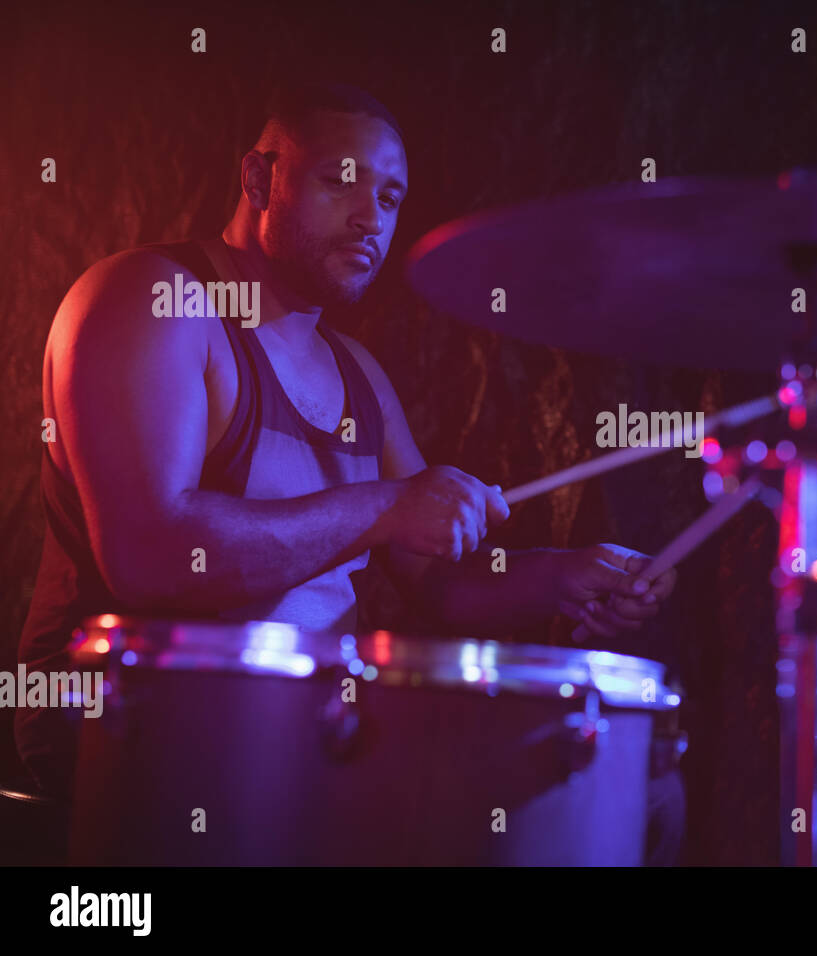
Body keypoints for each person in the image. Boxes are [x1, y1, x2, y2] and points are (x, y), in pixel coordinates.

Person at [16, 84, 678, 822]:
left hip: (307, 736)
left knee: (634, 796)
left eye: (391, 198)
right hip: (130, 731)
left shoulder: (359, 375)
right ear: (260, 180)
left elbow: (444, 585)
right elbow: (150, 556)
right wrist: (388, 505)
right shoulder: (154, 299)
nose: (371, 217)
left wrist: (565, 576)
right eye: (341, 181)